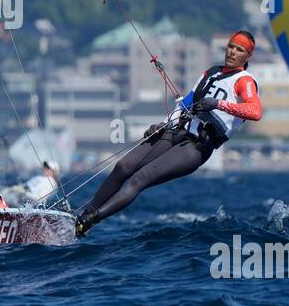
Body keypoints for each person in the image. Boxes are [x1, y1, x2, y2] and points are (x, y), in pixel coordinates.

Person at [74, 31, 263, 237]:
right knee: (123, 166)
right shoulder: (210, 72)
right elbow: (186, 103)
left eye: (240, 50)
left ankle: (89, 221)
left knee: (140, 178)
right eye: (231, 46)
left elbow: (255, 111)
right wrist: (162, 124)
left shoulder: (245, 81)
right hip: (177, 130)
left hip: (196, 147)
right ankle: (82, 215)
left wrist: (218, 104)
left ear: (248, 56)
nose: (233, 52)